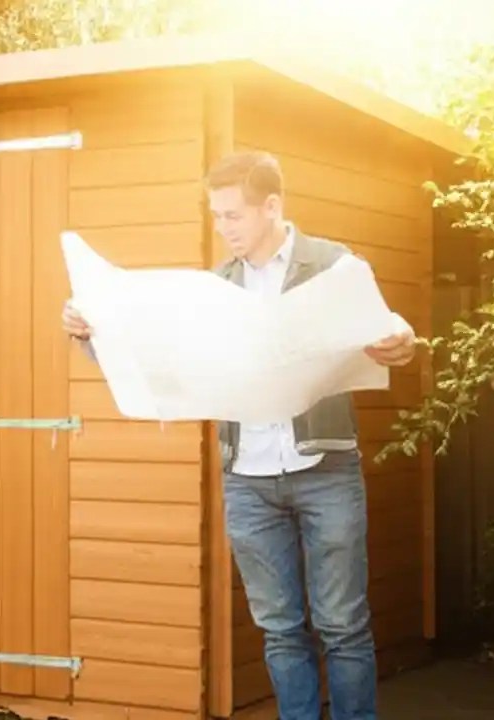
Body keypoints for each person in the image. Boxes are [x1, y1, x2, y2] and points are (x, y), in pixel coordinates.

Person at [60, 150, 415, 720]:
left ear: (271, 206)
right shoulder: (215, 286)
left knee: (342, 625)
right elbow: (158, 361)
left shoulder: (331, 264)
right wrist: (88, 333)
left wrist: (400, 334)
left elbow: (386, 325)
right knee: (280, 629)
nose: (223, 229)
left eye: (233, 216)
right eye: (216, 216)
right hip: (248, 482)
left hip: (326, 471)